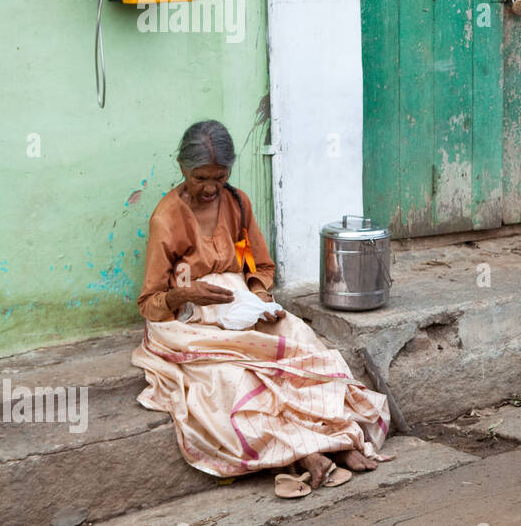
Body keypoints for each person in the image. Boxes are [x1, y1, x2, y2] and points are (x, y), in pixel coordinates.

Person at [133, 120, 391, 496]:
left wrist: (259, 298)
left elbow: (261, 266)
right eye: (200, 178)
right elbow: (150, 303)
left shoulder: (237, 202)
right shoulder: (166, 218)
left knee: (304, 346)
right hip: (190, 321)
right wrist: (187, 295)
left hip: (243, 306)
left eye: (219, 178)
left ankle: (339, 439)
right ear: (181, 167)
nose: (210, 188)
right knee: (233, 378)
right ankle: (304, 455)